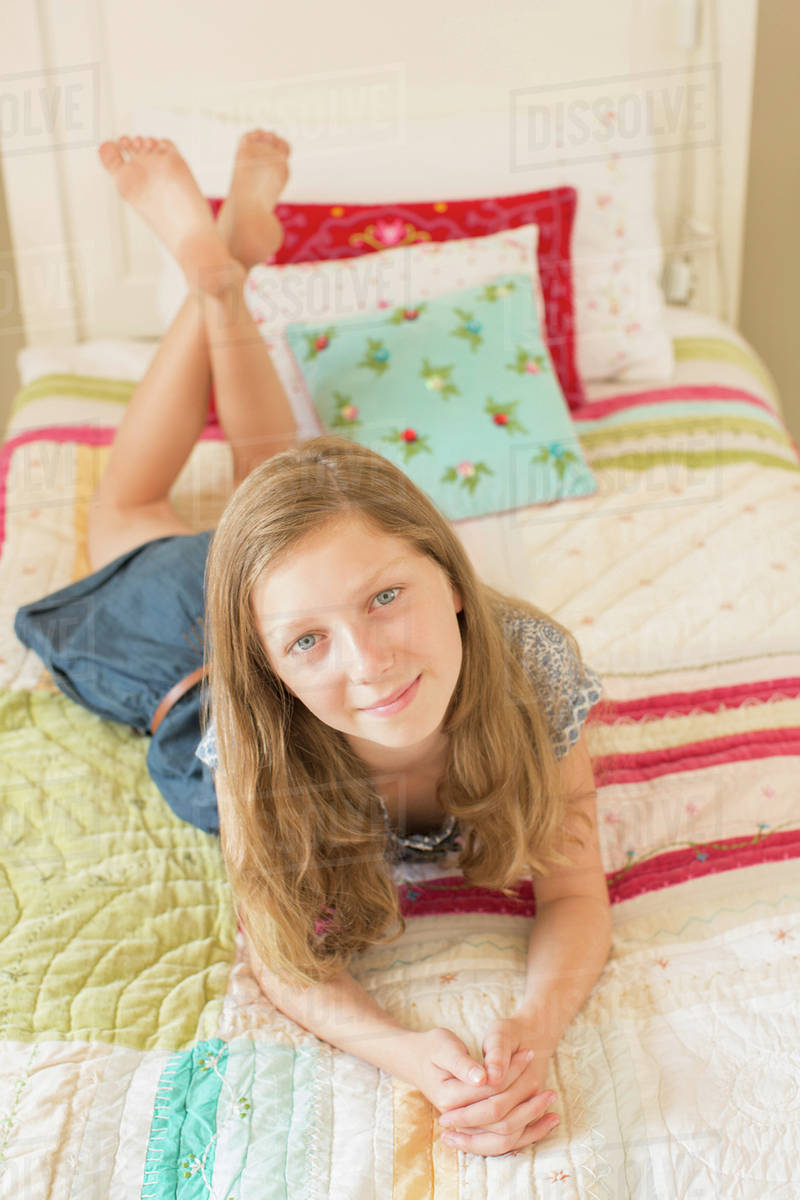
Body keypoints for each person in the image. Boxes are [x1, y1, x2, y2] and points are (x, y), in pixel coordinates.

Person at [14, 131, 612, 1160]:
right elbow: (284, 958)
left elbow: (571, 889)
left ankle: (224, 274)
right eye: (309, 643)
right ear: (270, 663)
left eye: (389, 596)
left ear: (450, 575)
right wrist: (402, 1049)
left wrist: (531, 1027)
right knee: (125, 512)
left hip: (275, 599)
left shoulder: (532, 669)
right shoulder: (249, 729)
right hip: (190, 655)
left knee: (289, 507)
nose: (370, 663)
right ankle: (210, 284)